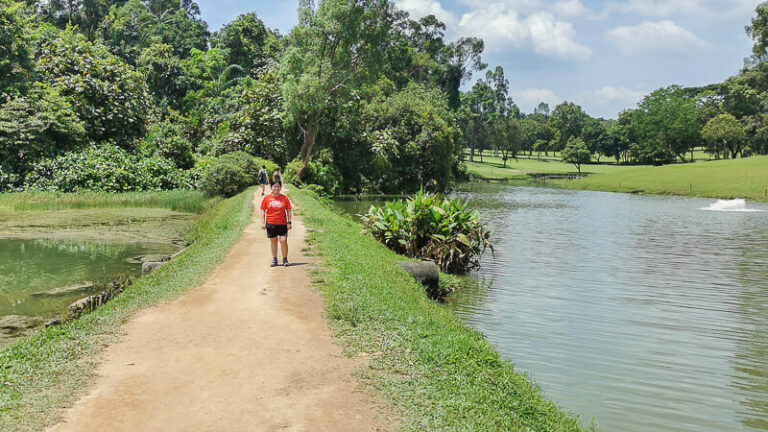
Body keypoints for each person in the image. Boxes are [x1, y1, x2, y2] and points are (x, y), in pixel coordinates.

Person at [260, 182, 292, 267]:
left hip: (282, 223)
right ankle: (274, 259)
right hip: (271, 223)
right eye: (274, 187)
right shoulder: (267, 198)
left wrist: (289, 222)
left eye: (278, 187)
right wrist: (263, 222)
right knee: (273, 241)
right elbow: (262, 210)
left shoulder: (285, 198)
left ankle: (285, 259)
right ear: (271, 188)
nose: (276, 188)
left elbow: (288, 210)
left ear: (280, 188)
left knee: (283, 240)